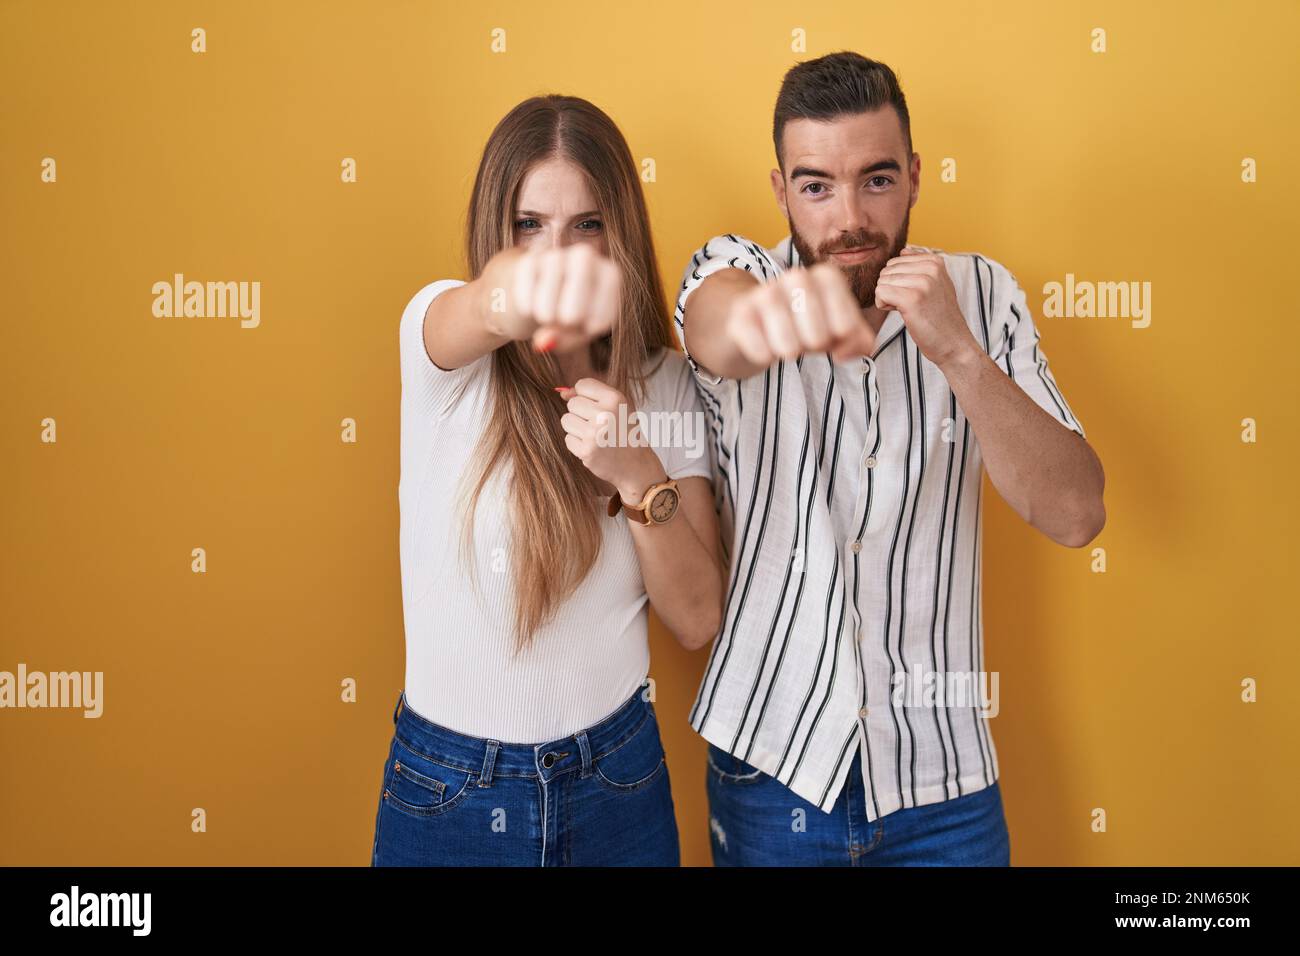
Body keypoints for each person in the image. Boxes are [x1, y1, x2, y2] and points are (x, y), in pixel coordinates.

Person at [674, 51, 1107, 865]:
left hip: (943, 780)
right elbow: (722, 339)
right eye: (816, 186)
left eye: (875, 180)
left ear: (913, 177)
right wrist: (825, 301)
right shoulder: (738, 272)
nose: (849, 218)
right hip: (773, 767)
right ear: (780, 191)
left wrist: (959, 355)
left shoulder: (982, 296)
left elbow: (1077, 515)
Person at [371, 94, 725, 867]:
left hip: (618, 783)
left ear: (621, 232)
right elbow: (487, 303)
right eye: (529, 226)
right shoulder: (445, 347)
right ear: (497, 233)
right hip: (450, 793)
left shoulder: (663, 383)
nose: (557, 254)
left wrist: (638, 474)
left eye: (586, 226)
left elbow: (697, 617)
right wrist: (526, 293)